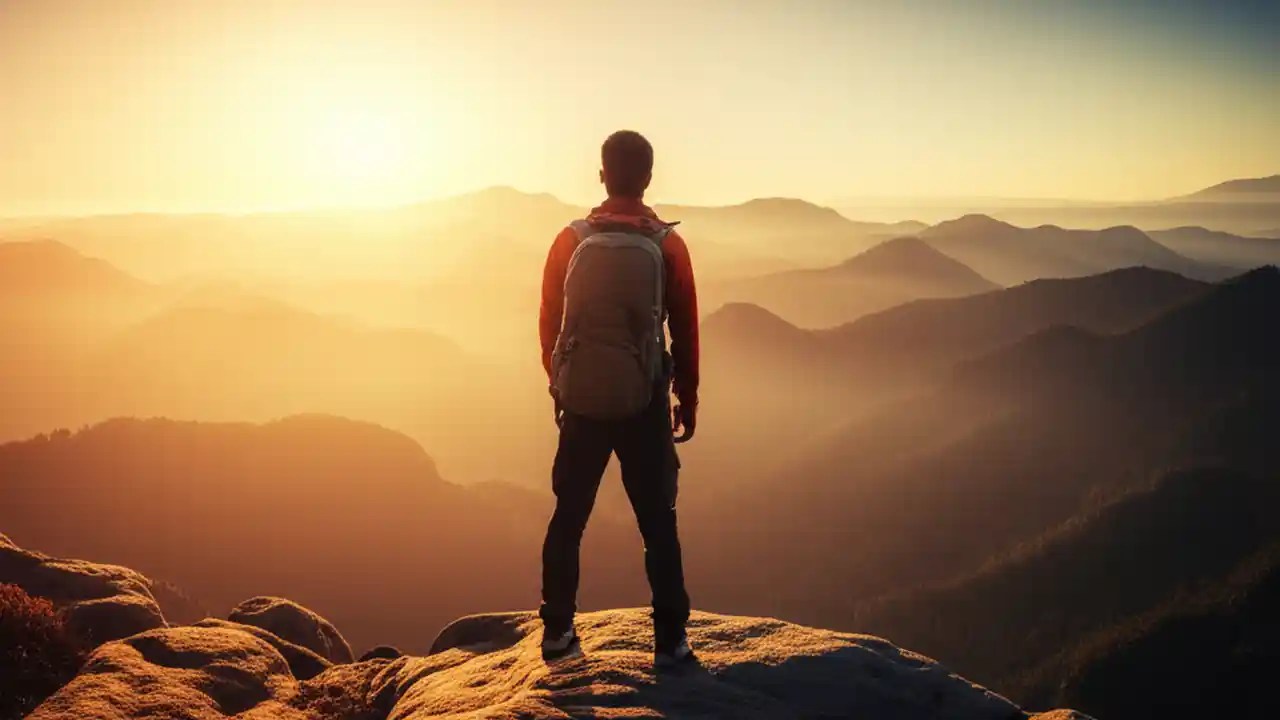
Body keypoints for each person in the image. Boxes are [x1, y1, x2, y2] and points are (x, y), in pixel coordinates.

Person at [537, 130, 699, 666]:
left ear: (602, 174)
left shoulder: (570, 239)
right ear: (649, 178)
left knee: (569, 516)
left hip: (582, 400)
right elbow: (686, 329)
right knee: (658, 522)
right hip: (644, 400)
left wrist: (561, 382)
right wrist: (686, 396)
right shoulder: (667, 244)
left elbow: (549, 320)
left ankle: (558, 630)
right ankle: (671, 640)